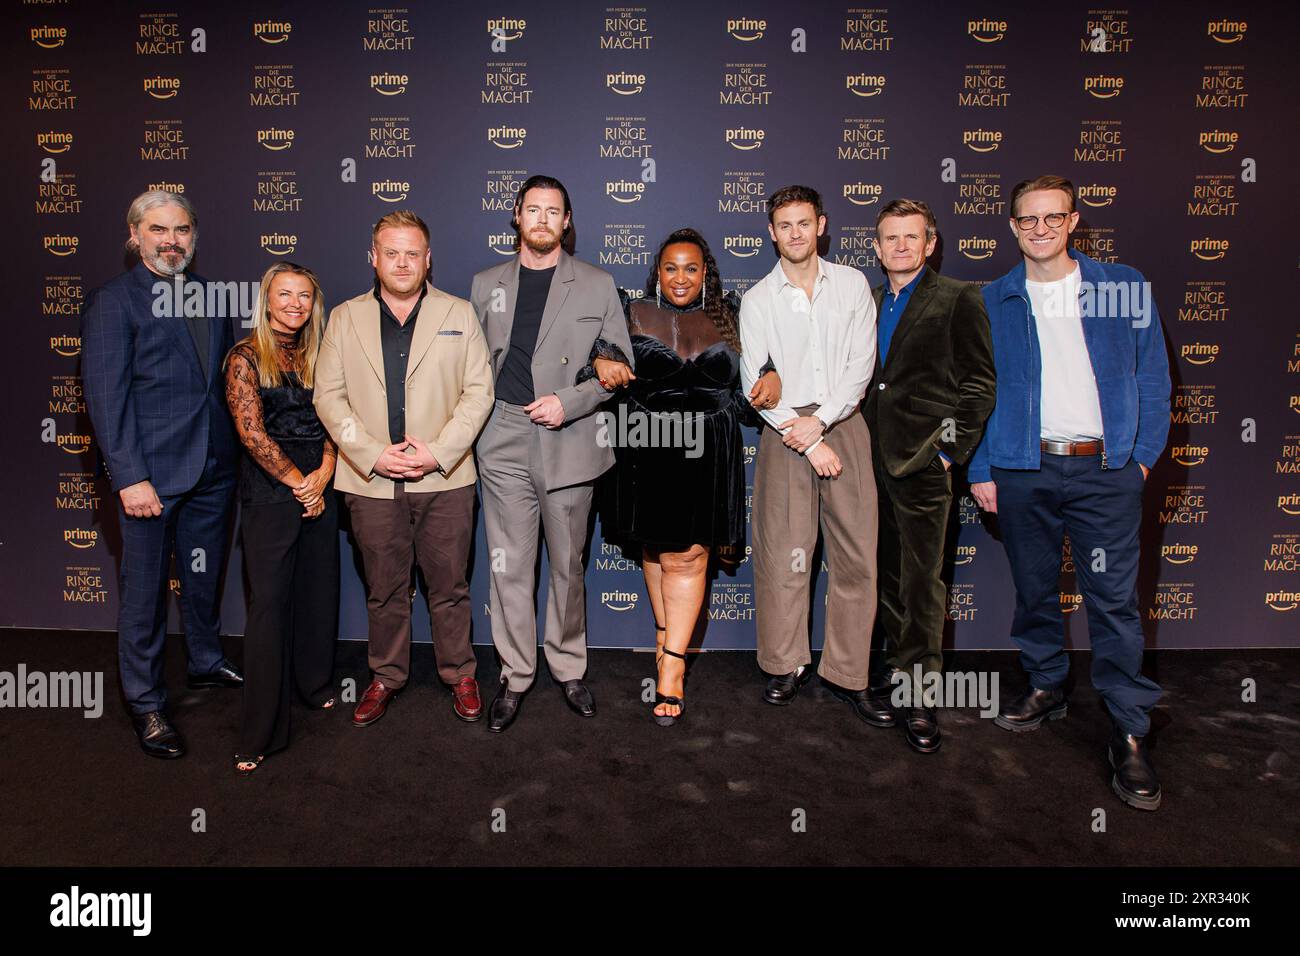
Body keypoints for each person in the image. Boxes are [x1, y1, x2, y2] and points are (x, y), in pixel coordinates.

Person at [968, 174, 1170, 810]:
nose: (1041, 229)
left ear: (1074, 221)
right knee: (1034, 588)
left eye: (1053, 217)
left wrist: (1139, 460)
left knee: (1113, 602)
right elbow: (976, 392)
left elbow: (1154, 379)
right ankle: (1048, 683)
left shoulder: (1122, 287)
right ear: (1013, 227)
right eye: (1028, 220)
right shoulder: (993, 298)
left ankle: (1130, 729)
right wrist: (980, 468)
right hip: (1023, 469)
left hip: (1104, 471)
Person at [583, 228, 781, 725]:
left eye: (691, 268)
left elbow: (759, 369)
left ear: (706, 273)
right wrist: (601, 359)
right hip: (648, 446)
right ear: (657, 271)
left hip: (709, 449)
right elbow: (599, 366)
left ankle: (671, 667)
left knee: (689, 554)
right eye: (670, 267)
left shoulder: (730, 315)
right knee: (658, 547)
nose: (680, 278)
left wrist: (772, 375)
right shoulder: (631, 314)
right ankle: (666, 636)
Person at [313, 211, 494, 727]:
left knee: (450, 585)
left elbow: (479, 392)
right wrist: (372, 454)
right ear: (373, 257)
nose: (401, 262)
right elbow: (329, 398)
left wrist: (439, 451)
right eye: (390, 253)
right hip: (370, 481)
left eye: (412, 253)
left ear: (428, 259)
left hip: (446, 478)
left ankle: (459, 672)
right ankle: (386, 675)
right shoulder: (344, 319)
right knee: (385, 587)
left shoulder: (459, 312)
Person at [81, 190, 244, 759]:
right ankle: (146, 703)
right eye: (158, 230)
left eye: (180, 230)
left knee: (203, 578)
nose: (171, 240)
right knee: (144, 594)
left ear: (193, 237)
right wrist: (128, 475)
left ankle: (204, 660)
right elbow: (106, 397)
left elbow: (218, 387)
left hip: (213, 470)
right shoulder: (114, 302)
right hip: (149, 477)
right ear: (135, 235)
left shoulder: (210, 296)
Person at [469, 174, 633, 733]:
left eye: (553, 211)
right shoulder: (484, 283)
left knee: (567, 564)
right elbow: (469, 369)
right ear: (516, 215)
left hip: (568, 434)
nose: (542, 219)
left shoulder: (597, 283)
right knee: (510, 566)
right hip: (502, 434)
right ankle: (515, 674)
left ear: (567, 222)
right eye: (532, 209)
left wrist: (570, 401)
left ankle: (567, 665)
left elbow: (617, 365)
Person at [739, 185, 881, 717]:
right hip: (782, 434)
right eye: (784, 225)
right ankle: (784, 664)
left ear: (821, 225)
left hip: (843, 423)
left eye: (804, 223)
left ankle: (848, 672)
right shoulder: (757, 300)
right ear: (772, 233)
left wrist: (821, 427)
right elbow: (754, 380)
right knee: (783, 553)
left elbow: (861, 365)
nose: (795, 234)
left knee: (857, 556)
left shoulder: (851, 284)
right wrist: (805, 435)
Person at [862, 199, 996, 753]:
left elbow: (978, 385)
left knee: (922, 583)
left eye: (911, 237)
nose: (900, 246)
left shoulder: (958, 298)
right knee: (883, 576)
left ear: (930, 243)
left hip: (923, 465)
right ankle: (891, 672)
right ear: (876, 246)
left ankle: (919, 693)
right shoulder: (865, 301)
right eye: (890, 238)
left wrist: (945, 455)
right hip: (866, 461)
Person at [224, 262, 339, 775]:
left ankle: (312, 686)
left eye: (305, 296)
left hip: (322, 479)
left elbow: (340, 414)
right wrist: (300, 482)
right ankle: (260, 731)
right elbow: (250, 433)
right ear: (266, 299)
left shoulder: (321, 353)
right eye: (285, 294)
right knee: (269, 604)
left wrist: (327, 470)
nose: (295, 303)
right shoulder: (245, 356)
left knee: (319, 591)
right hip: (272, 487)